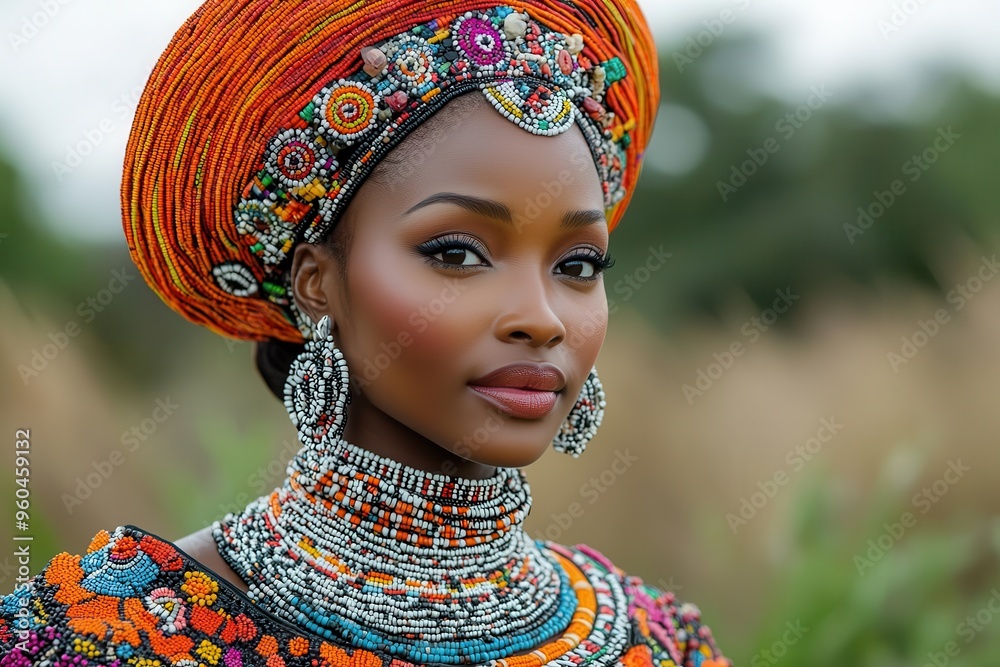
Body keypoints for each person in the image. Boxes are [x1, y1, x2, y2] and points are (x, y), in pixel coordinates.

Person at [0, 1, 732, 665]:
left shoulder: (657, 641)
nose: (540, 316)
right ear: (319, 284)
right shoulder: (113, 637)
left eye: (578, 263)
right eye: (456, 253)